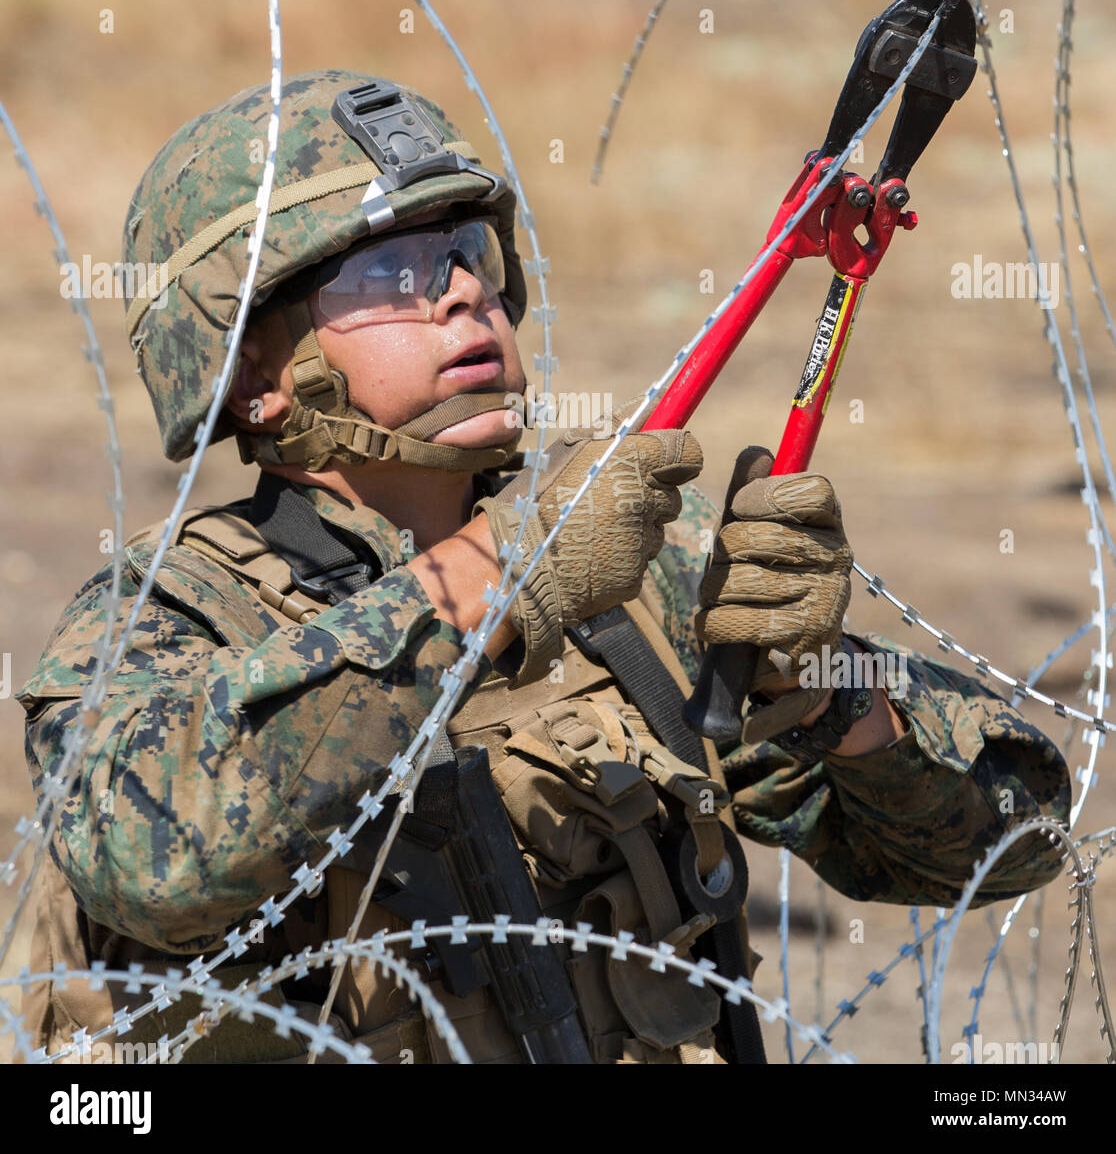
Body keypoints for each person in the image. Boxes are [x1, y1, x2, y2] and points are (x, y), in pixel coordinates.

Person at [18, 69, 1071, 1065]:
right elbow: (146, 858)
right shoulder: (167, 616)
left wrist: (830, 695)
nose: (461, 294)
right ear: (254, 367)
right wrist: (504, 575)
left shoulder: (627, 580)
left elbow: (1014, 842)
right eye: (392, 272)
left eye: (470, 253)